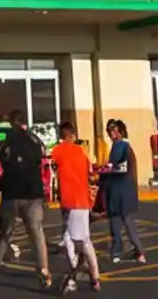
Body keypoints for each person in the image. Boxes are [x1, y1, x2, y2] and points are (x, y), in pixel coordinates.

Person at [0, 111, 50, 288]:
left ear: (13, 123)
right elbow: (42, 157)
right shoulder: (35, 140)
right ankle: (43, 270)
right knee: (36, 232)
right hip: (33, 193)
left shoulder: (9, 139)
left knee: (5, 234)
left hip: (12, 193)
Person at [51, 122, 101, 291]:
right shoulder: (80, 151)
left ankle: (72, 274)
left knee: (69, 239)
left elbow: (48, 165)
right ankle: (95, 276)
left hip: (70, 200)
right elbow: (90, 171)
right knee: (84, 239)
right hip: (83, 200)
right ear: (72, 135)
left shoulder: (59, 150)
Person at [100, 119, 145, 264]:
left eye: (113, 131)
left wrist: (105, 171)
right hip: (126, 189)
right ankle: (139, 252)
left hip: (119, 189)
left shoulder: (120, 146)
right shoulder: (125, 146)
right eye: (109, 131)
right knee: (127, 222)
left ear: (120, 131)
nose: (111, 134)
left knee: (117, 222)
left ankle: (118, 252)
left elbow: (118, 167)